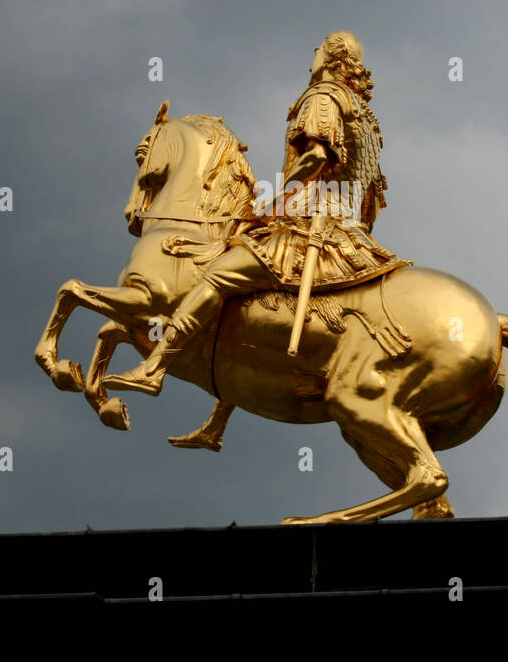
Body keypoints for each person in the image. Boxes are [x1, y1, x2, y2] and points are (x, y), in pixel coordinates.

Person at [105, 30, 409, 395]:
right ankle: (218, 415)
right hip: (353, 235)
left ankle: (154, 368)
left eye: (317, 51)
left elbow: (315, 157)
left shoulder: (323, 97)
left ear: (329, 57)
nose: (311, 56)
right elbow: (370, 199)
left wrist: (274, 203)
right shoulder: (368, 119)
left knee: (217, 278)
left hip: (311, 226)